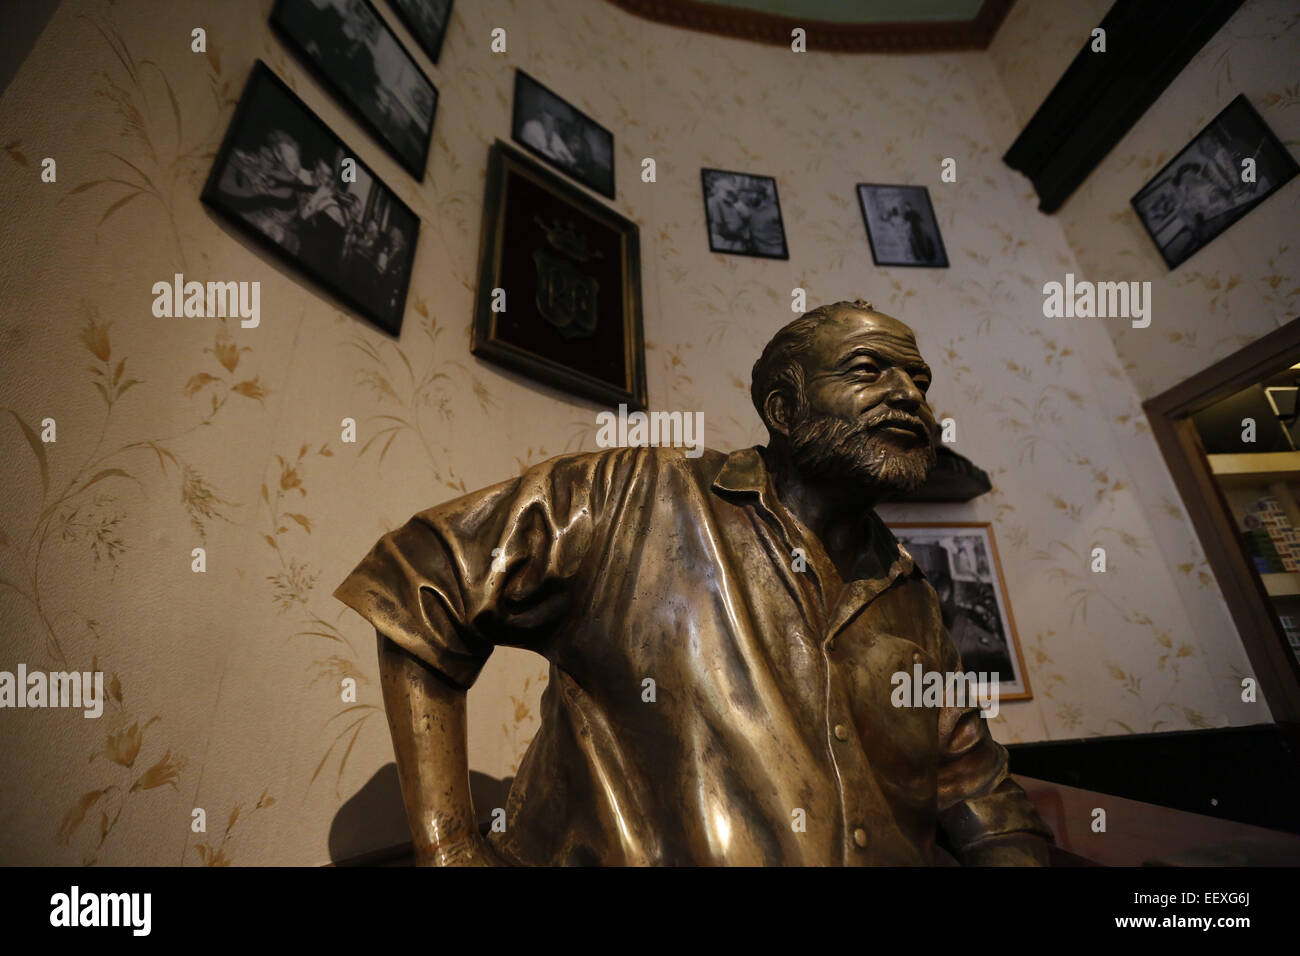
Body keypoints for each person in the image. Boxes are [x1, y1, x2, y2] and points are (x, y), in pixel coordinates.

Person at [335, 299, 1054, 866]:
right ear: (784, 409)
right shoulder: (635, 496)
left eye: (921, 383)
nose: (910, 396)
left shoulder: (913, 599)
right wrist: (448, 847)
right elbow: (418, 578)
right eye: (870, 370)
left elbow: (978, 793)